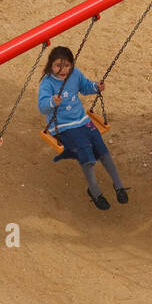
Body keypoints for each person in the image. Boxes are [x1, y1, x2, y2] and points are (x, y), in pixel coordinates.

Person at [37, 46, 129, 210]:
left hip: (82, 120)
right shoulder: (47, 84)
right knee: (86, 155)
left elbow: (86, 87)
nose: (62, 69)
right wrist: (52, 102)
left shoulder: (75, 74)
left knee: (102, 150)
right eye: (58, 65)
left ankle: (119, 186)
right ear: (51, 65)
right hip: (63, 127)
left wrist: (96, 87)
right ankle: (94, 192)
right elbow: (42, 107)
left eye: (66, 65)